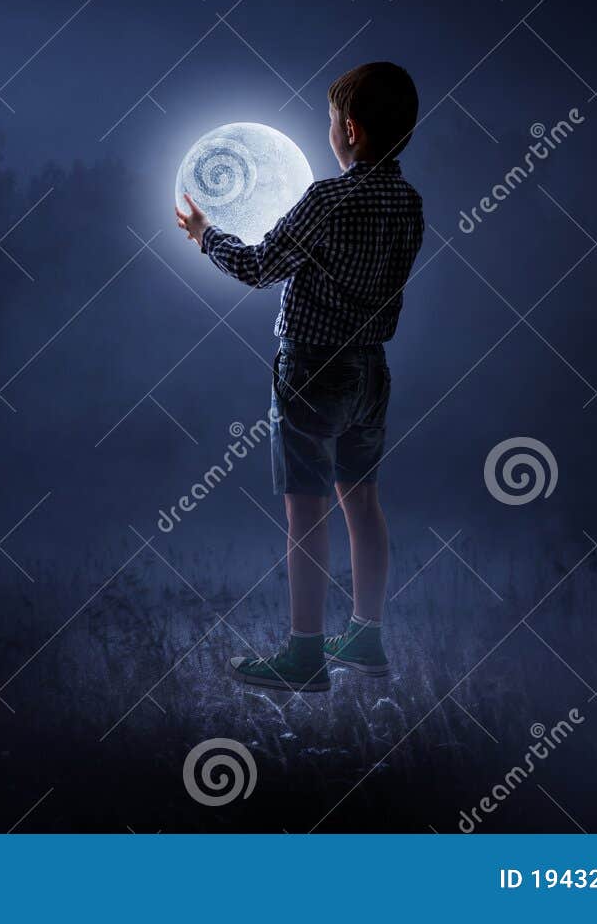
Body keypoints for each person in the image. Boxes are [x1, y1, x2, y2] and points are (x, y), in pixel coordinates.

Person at [174, 62, 425, 691]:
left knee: (305, 510)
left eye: (330, 122)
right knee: (362, 502)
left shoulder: (327, 199)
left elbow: (260, 267)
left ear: (350, 129)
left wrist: (207, 236)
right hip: (372, 369)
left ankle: (305, 655)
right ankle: (365, 638)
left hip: (313, 367)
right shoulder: (409, 202)